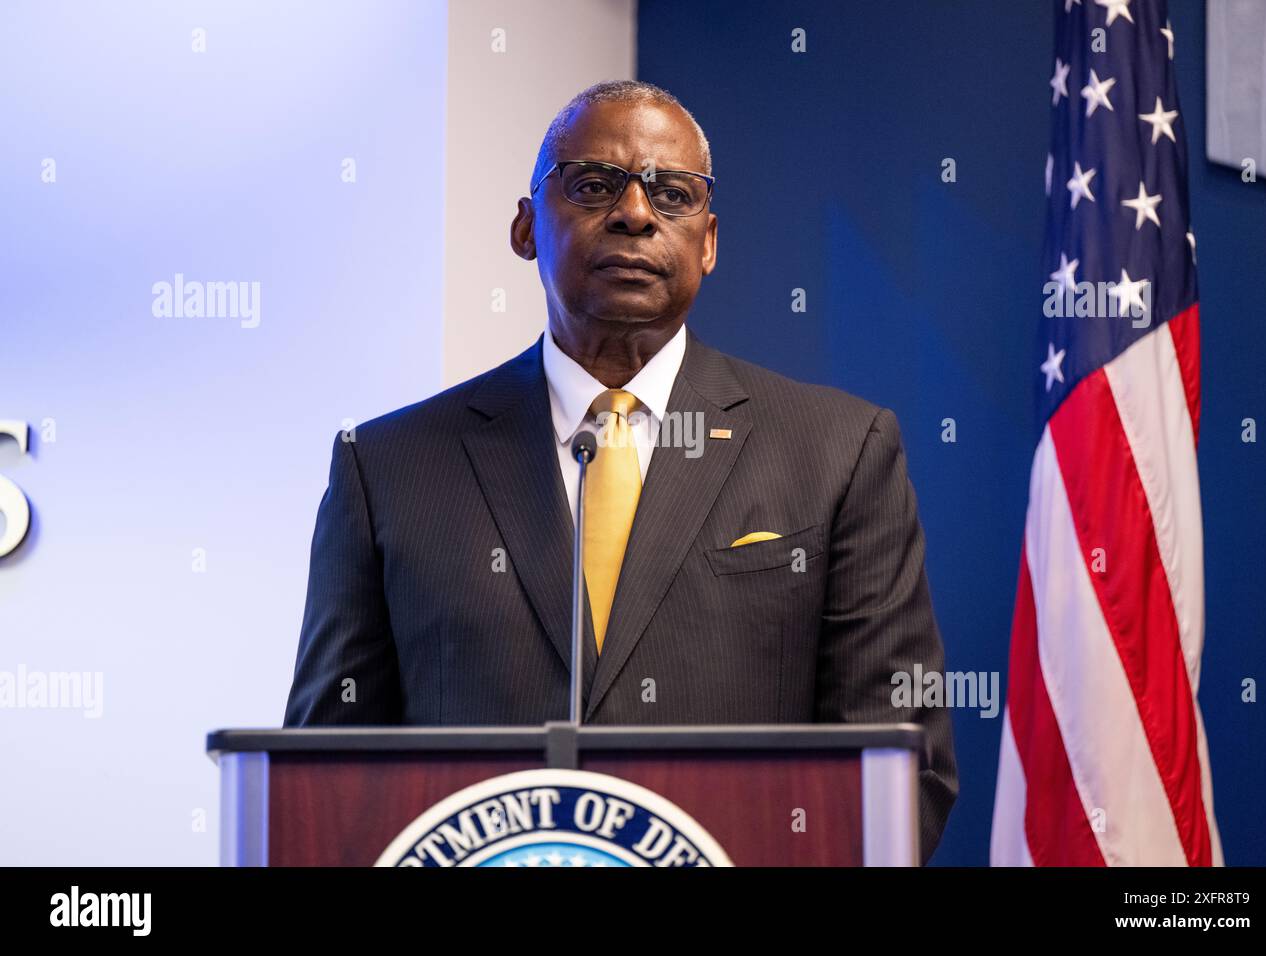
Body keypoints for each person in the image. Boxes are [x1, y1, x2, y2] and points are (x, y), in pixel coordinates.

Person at [284, 80, 958, 862]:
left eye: (672, 194)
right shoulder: (390, 468)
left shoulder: (839, 451)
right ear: (526, 226)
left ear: (708, 240)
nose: (636, 213)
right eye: (596, 184)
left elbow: (898, 778)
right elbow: (321, 784)